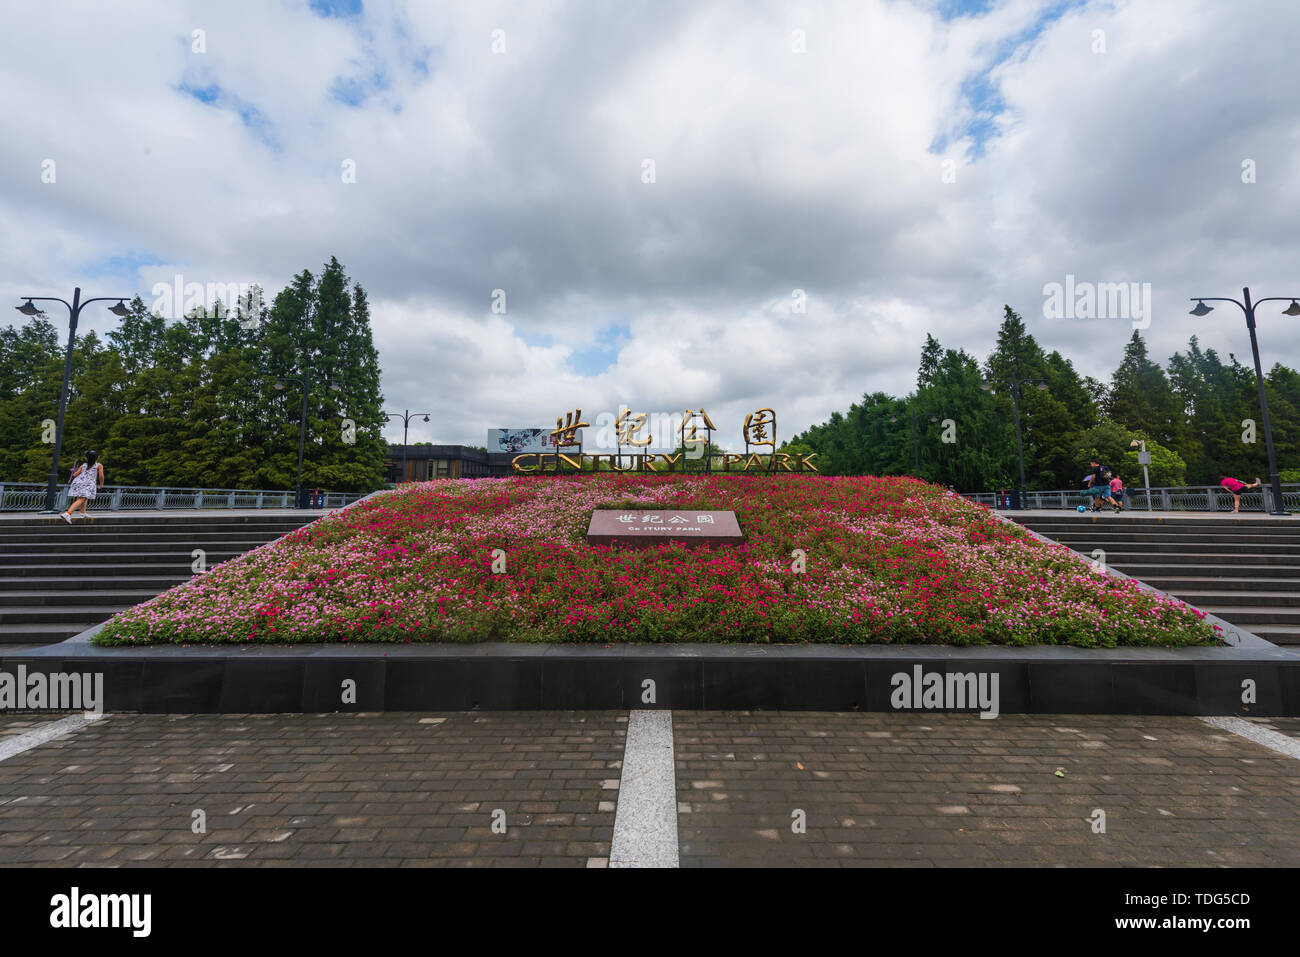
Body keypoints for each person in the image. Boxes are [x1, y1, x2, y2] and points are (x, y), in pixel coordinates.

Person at [61, 450, 104, 523]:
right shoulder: (99, 465)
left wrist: (73, 471)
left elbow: (75, 475)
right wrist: (101, 484)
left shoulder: (83, 465)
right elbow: (101, 476)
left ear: (86, 458)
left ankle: (83, 513)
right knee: (81, 499)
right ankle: (67, 513)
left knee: (83, 498)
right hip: (88, 483)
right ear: (97, 458)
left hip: (78, 482)